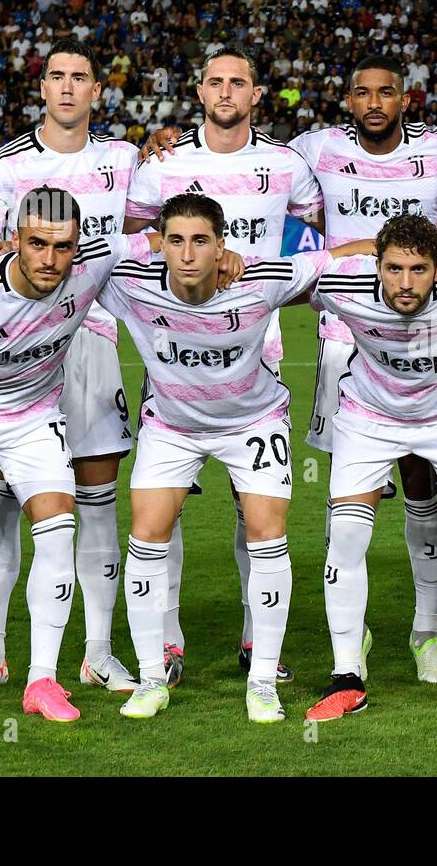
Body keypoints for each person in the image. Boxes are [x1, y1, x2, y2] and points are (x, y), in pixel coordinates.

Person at [100, 193, 370, 721]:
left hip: (253, 422)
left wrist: (404, 246)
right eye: (174, 240)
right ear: (161, 245)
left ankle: (263, 680)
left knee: (266, 532)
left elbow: (336, 256)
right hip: (173, 426)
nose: (186, 253)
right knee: (146, 531)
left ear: (221, 246)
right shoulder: (130, 284)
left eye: (200, 241)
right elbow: (74, 254)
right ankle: (152, 678)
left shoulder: (261, 279)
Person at [0, 186, 155, 725]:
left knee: (59, 531)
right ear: (13, 239)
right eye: (37, 243)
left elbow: (170, 243)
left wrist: (230, 258)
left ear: (79, 244)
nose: (50, 259)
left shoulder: (95, 262)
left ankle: (42, 679)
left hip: (32, 415)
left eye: (63, 246)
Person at [124, 44, 324, 687]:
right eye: (216, 81)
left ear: (256, 94)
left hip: (255, 349)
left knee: (253, 507)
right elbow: (133, 235)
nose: (227, 92)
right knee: (167, 505)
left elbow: (321, 226)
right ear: (200, 90)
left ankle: (252, 640)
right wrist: (195, 258)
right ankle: (169, 643)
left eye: (239, 82)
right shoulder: (165, 162)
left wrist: (267, 276)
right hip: (179, 346)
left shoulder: (285, 164)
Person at [0, 39, 143, 696]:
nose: (67, 87)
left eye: (80, 78)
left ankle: (95, 652)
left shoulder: (125, 161)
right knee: (3, 502)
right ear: (42, 87)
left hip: (90, 347)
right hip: (17, 351)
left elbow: (159, 225)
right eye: (56, 76)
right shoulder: (4, 165)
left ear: (98, 91)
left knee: (94, 503)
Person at [290, 57, 437, 684]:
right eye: (361, 91)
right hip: (344, 340)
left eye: (385, 92)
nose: (373, 101)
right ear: (346, 98)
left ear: (404, 99)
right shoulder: (314, 149)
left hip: (426, 339)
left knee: (424, 487)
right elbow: (246, 168)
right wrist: (169, 141)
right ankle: (352, 634)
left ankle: (426, 632)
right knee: (351, 501)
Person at [305, 214, 437, 724]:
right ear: (375, 265)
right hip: (369, 419)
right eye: (393, 268)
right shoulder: (343, 284)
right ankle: (346, 676)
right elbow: (281, 278)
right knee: (348, 535)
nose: (404, 283)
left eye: (419, 269)